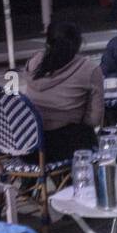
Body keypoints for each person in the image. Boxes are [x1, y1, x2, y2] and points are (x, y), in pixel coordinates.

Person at [20, 21, 103, 162]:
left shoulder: (35, 61)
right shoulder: (89, 69)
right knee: (86, 134)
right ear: (78, 43)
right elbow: (94, 119)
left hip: (28, 147)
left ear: (48, 42)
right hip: (64, 147)